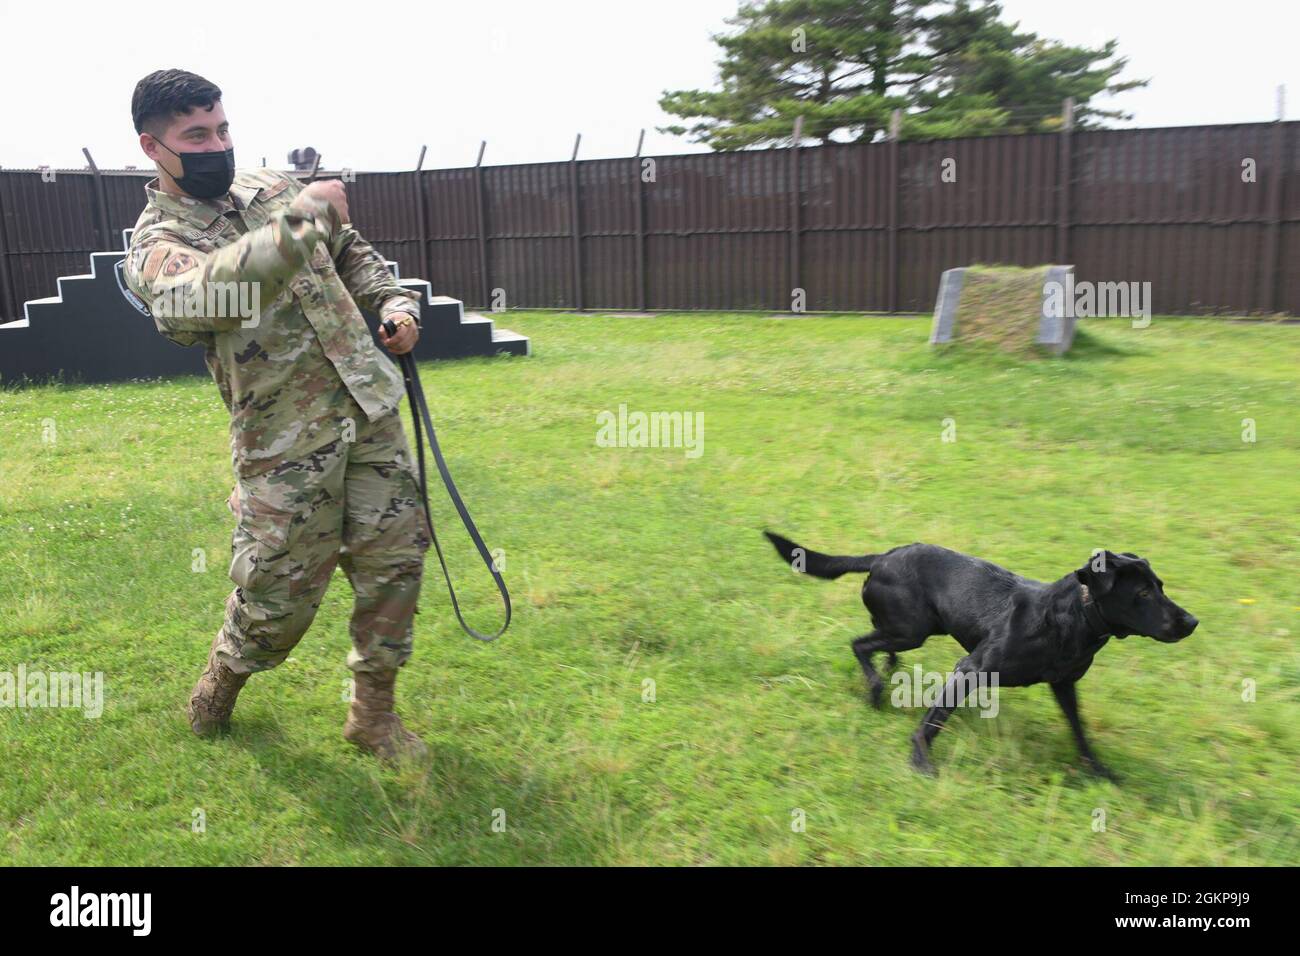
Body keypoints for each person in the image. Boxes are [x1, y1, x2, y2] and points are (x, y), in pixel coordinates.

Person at [124, 68, 432, 764]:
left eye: (223, 129)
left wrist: (394, 306)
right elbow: (196, 301)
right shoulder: (157, 241)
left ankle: (374, 717)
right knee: (278, 599)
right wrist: (301, 224)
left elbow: (350, 253)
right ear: (153, 146)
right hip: (285, 442)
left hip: (369, 408)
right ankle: (221, 683)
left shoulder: (269, 189)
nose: (217, 144)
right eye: (196, 135)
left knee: (395, 568)